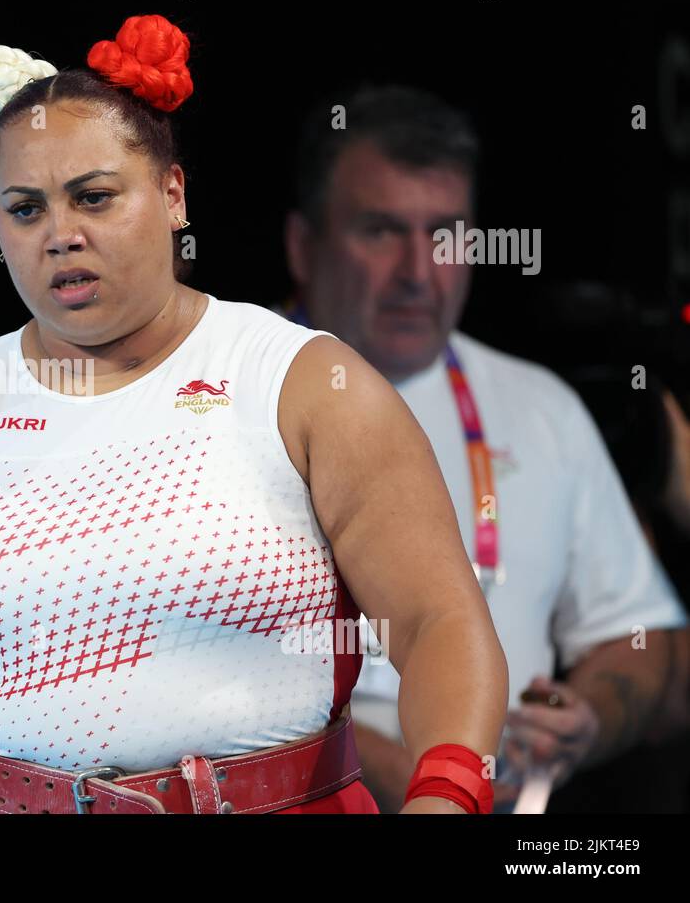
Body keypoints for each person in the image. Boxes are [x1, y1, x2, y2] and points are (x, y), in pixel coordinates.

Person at [0, 15, 507, 815]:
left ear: (173, 194)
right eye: (24, 209)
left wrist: (445, 799)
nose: (61, 235)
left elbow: (438, 623)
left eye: (93, 197)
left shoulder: (303, 385)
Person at [280, 84, 689, 812]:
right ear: (304, 246)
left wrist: (586, 720)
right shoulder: (220, 396)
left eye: (445, 234)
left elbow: (638, 631)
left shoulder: (542, 407)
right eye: (380, 231)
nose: (417, 271)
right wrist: (416, 768)